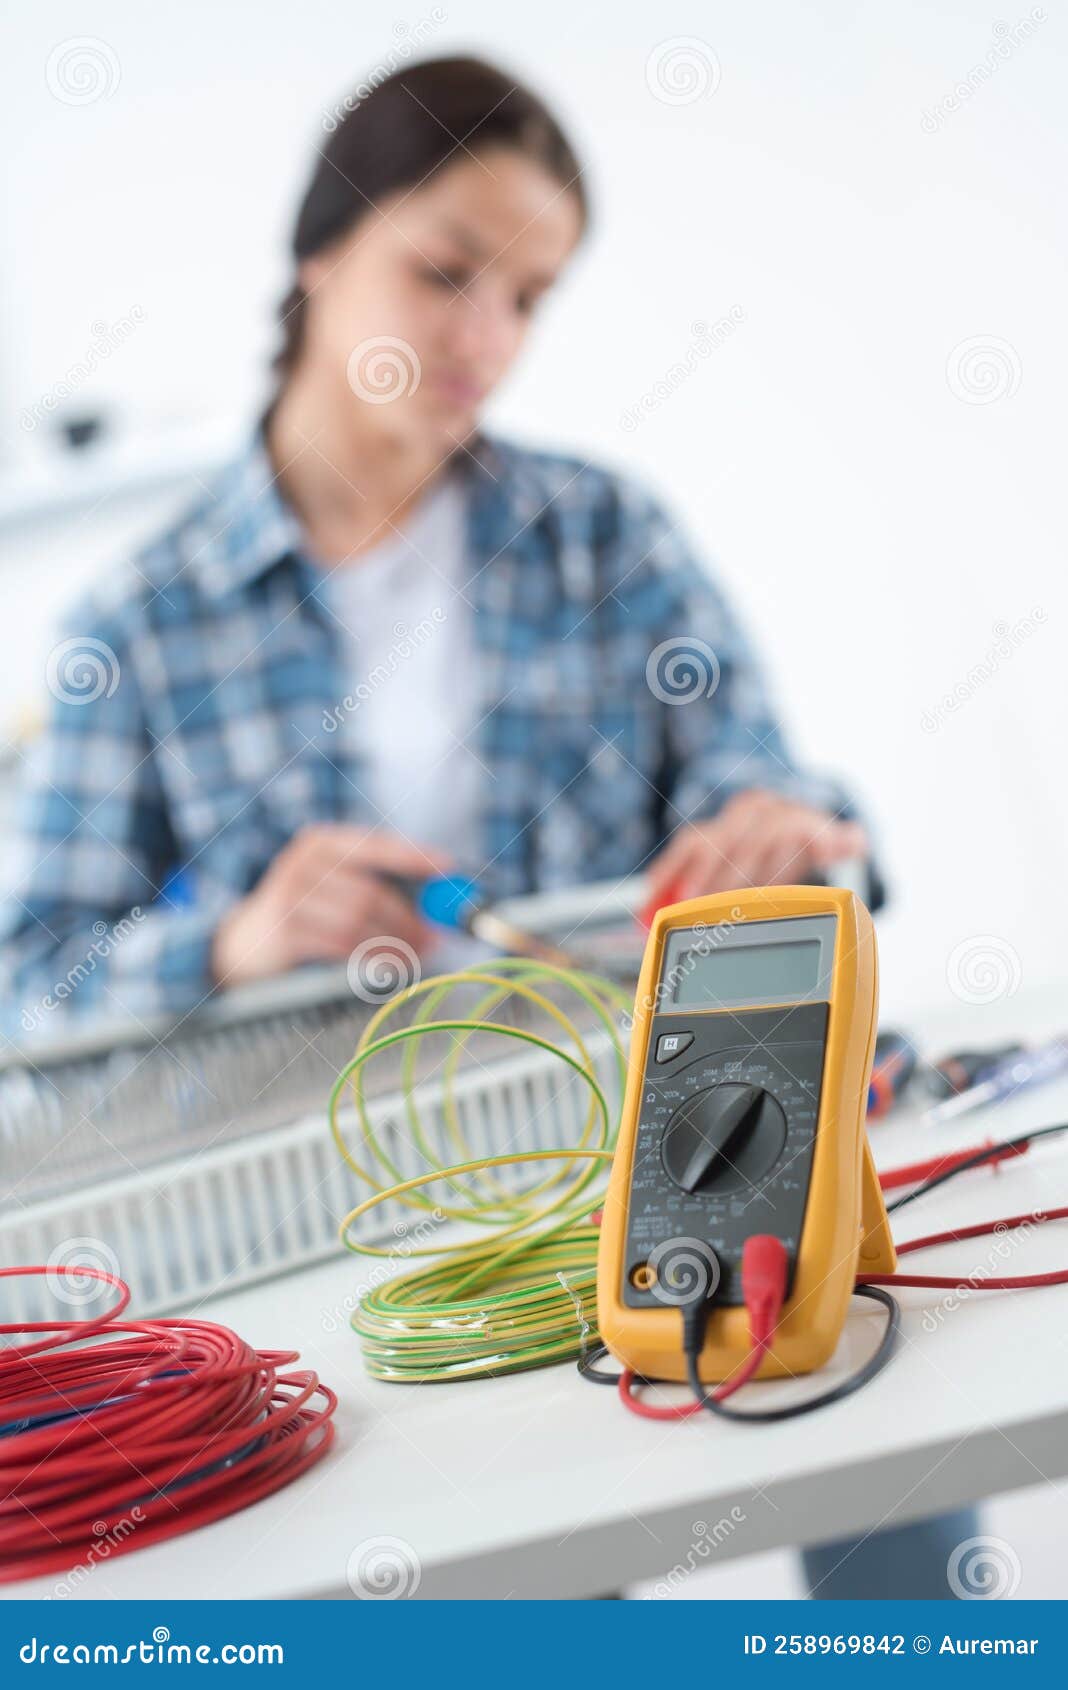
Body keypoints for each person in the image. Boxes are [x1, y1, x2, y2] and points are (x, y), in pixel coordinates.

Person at [0, 53, 973, 1593]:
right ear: (321, 252)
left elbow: (797, 802)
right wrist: (237, 939)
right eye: (445, 272)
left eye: (528, 296)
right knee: (522, 1585)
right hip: (383, 1241)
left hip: (676, 1149)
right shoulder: (136, 621)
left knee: (886, 1449)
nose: (483, 339)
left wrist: (771, 833)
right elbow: (26, 988)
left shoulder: (605, 535)